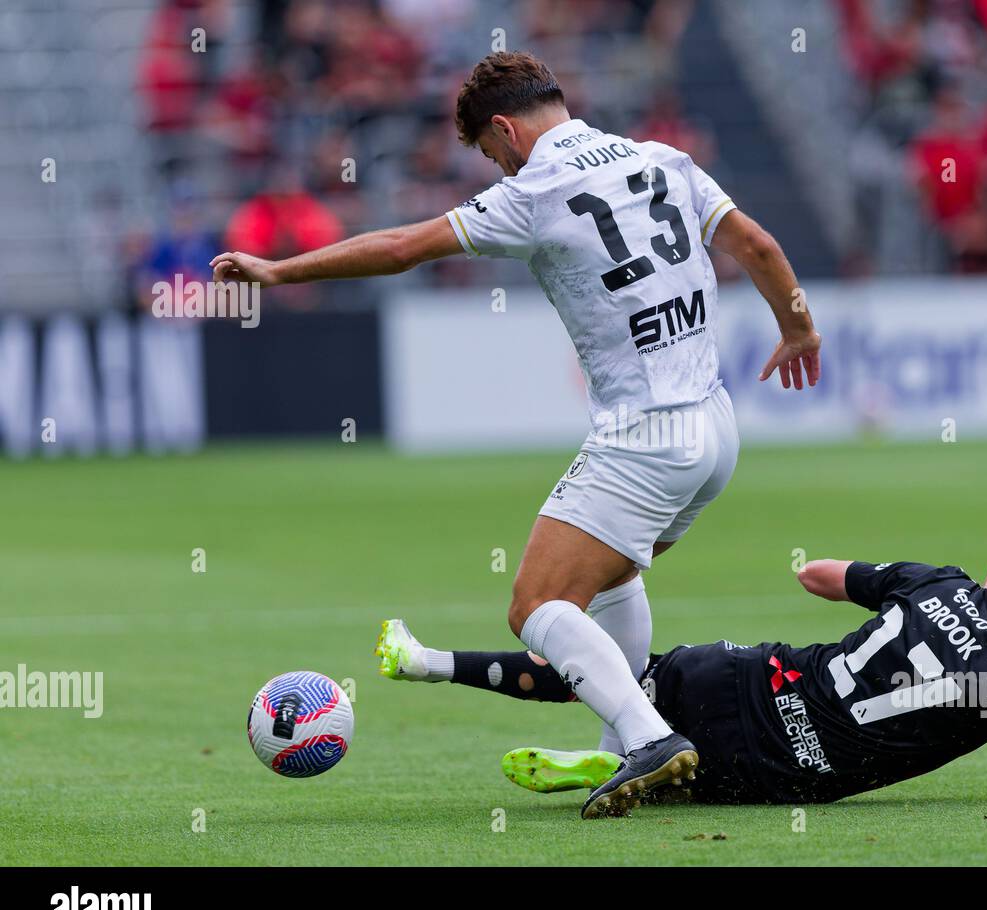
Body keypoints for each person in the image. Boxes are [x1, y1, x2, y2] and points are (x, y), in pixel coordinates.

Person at [210, 51, 822, 818]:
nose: (496, 168)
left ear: (505, 128)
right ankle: (617, 749)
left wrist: (278, 273)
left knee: (536, 604)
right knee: (608, 580)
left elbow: (402, 248)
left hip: (643, 436)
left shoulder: (535, 190)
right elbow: (759, 248)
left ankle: (648, 736)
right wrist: (798, 330)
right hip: (717, 432)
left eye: (491, 153)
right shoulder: (665, 159)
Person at [378, 521, 987, 808]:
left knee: (610, 668)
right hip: (782, 764)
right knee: (658, 735)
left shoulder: (935, 581)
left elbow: (822, 577)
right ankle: (631, 754)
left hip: (746, 676)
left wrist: (842, 580)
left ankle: (435, 664)